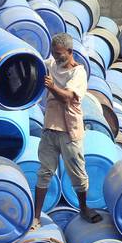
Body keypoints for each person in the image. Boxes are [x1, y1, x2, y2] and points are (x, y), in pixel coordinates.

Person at [32, 33, 102, 228]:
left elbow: (67, 98)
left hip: (69, 132)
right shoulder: (52, 64)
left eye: (60, 54)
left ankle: (84, 208)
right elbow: (34, 61)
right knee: (44, 172)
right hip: (50, 129)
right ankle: (36, 217)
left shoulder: (78, 73)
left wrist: (52, 86)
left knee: (78, 174)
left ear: (70, 52)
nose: (56, 58)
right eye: (54, 54)